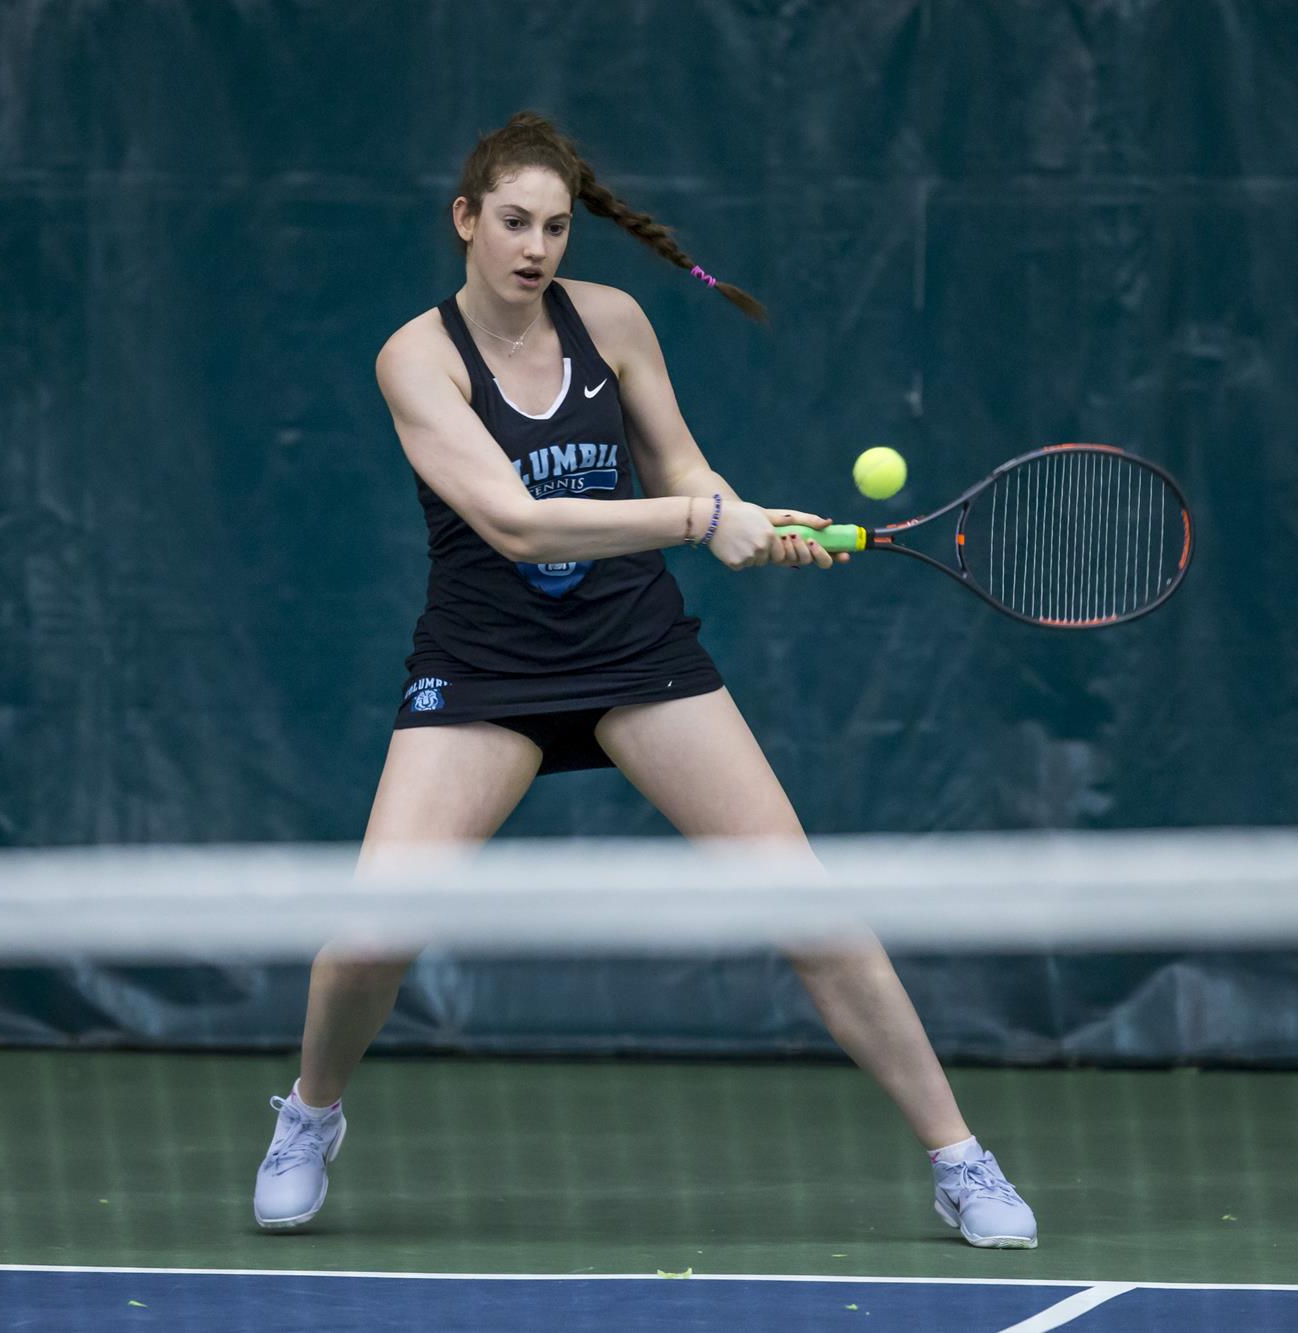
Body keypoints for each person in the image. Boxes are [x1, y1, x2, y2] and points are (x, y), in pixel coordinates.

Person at [253, 112, 1037, 1250]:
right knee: (372, 935)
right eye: (512, 222)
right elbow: (517, 524)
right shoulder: (414, 357)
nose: (534, 247)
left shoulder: (611, 322)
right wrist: (697, 518)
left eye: (555, 226)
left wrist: (753, 519)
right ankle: (309, 1114)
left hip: (635, 653)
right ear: (465, 222)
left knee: (807, 907)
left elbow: (683, 469)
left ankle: (958, 1158)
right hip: (486, 664)